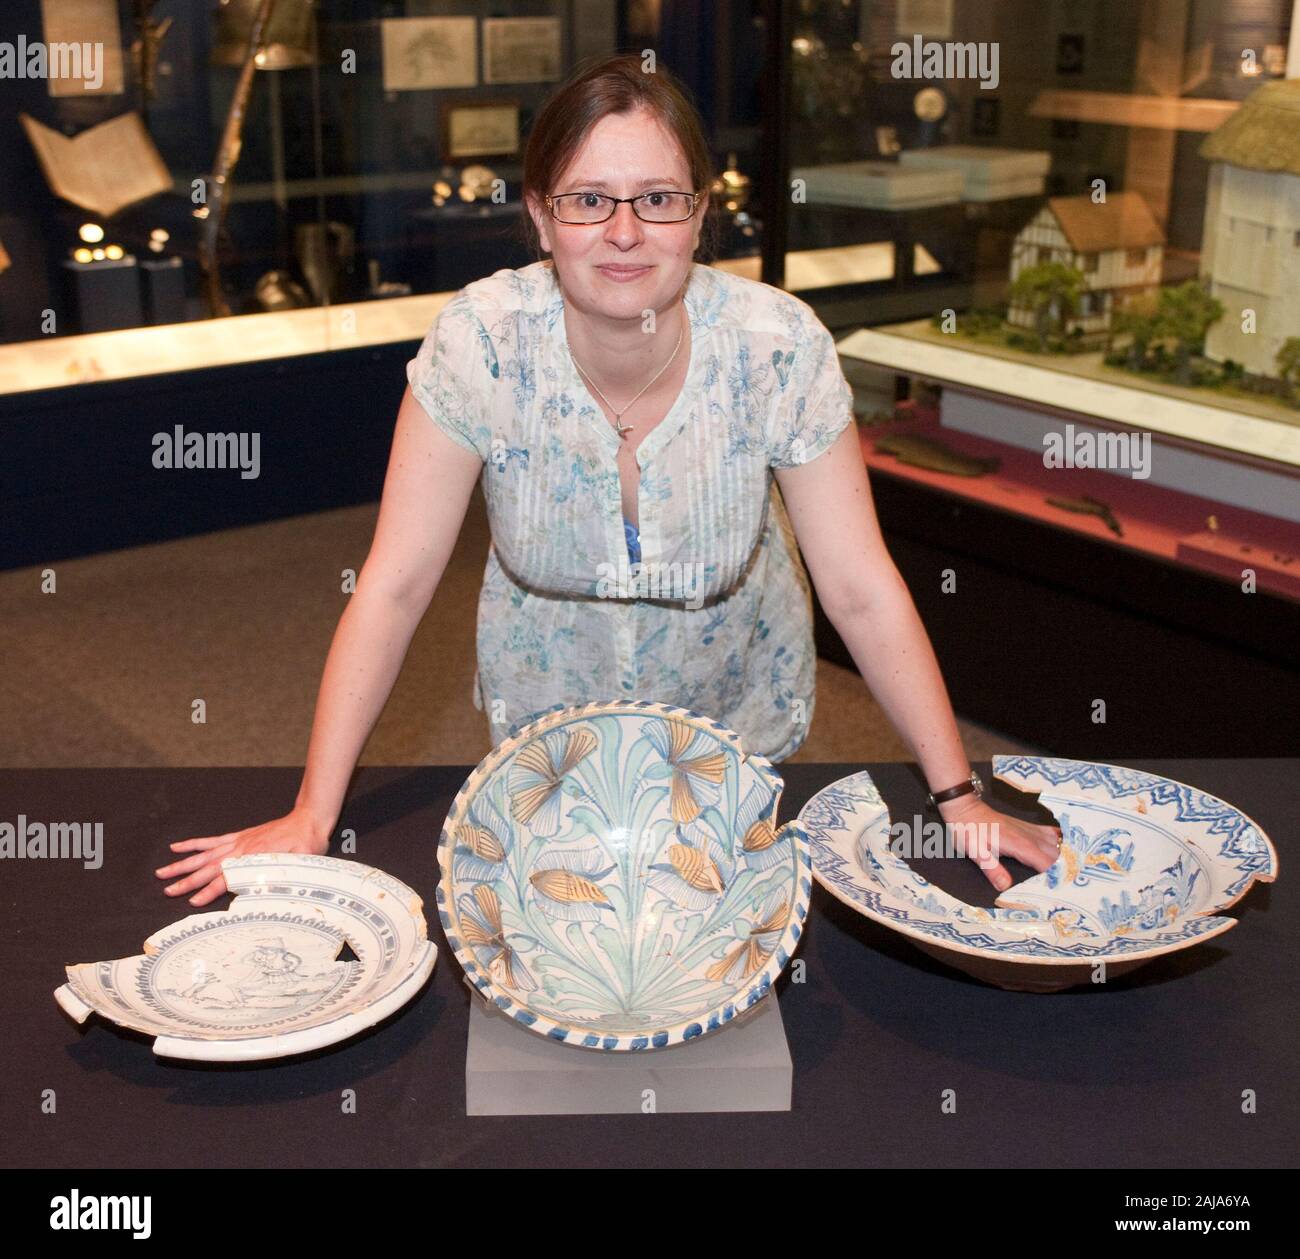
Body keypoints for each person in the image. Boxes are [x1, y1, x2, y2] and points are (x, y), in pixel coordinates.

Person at [157, 54, 1061, 908]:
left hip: (732, 732)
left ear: (700, 215)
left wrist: (958, 796)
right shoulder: (481, 345)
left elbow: (860, 588)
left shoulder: (777, 349)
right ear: (541, 216)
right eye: (589, 199)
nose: (624, 233)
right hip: (548, 741)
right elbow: (391, 588)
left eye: (657, 199)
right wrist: (313, 814)